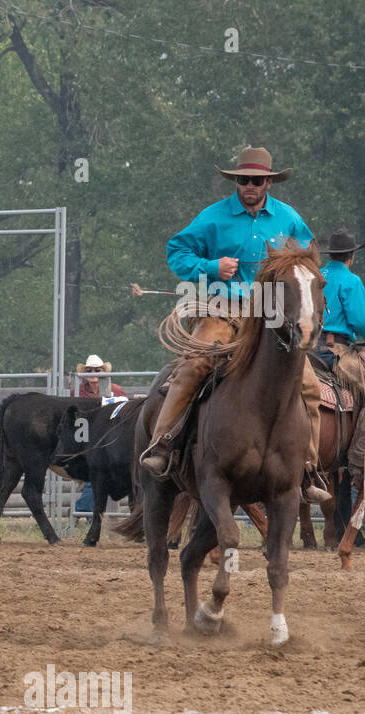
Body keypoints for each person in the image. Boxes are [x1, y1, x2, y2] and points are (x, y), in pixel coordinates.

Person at [139, 146, 330, 504]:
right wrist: (211, 267)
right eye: (243, 180)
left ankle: (307, 467)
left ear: (268, 183)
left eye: (257, 181)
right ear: (236, 181)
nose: (250, 187)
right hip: (222, 306)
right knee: (194, 365)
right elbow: (176, 252)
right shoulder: (212, 218)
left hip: (271, 311)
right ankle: (162, 443)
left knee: (309, 385)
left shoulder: (289, 219)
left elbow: (309, 262)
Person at [318, 228, 365, 476]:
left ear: (330, 254)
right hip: (334, 350)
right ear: (352, 255)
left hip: (305, 349)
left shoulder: (315, 275)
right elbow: (361, 320)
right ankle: (362, 458)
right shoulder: (351, 281)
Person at [74, 354, 126, 517]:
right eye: (89, 370)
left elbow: (125, 409)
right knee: (94, 475)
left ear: (103, 371)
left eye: (97, 370)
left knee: (96, 476)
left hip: (108, 438)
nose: (93, 373)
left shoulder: (115, 390)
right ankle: (87, 512)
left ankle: (83, 510)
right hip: (87, 438)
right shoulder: (78, 390)